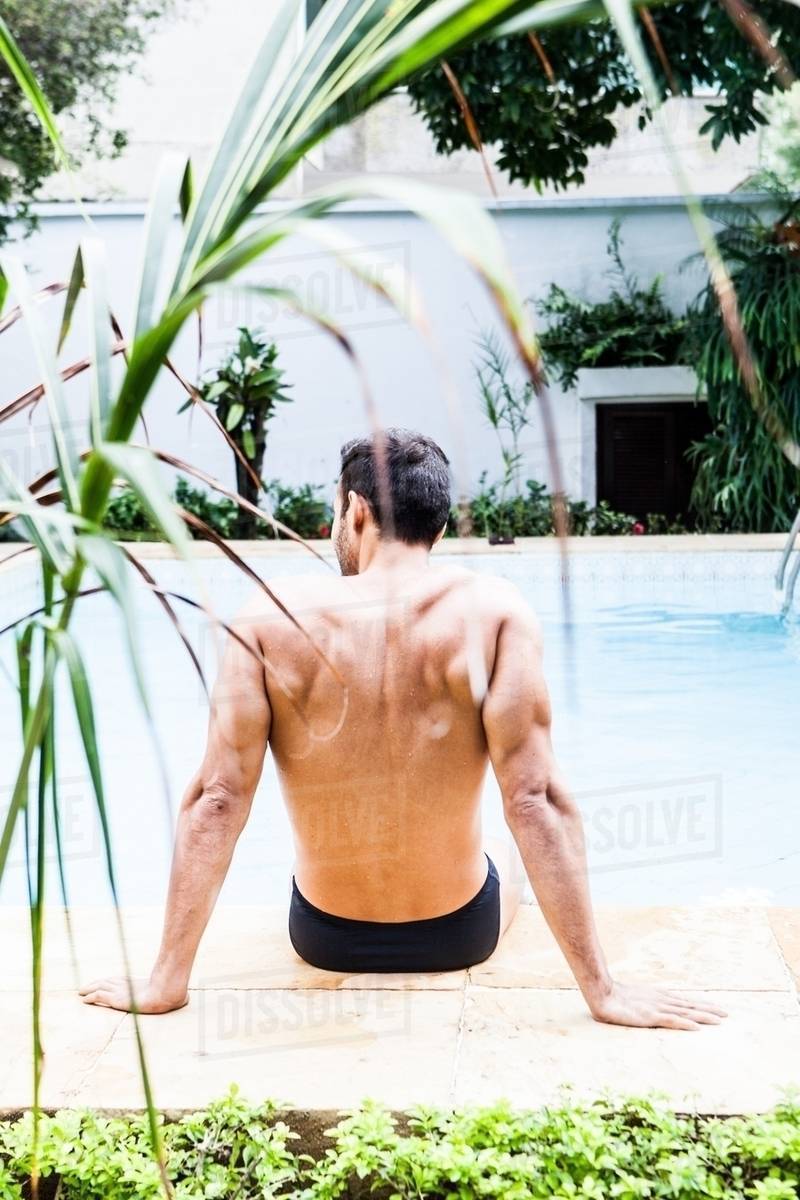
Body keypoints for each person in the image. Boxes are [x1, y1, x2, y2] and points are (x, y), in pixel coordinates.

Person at [81, 428, 726, 1031]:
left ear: (354, 510)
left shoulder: (267, 619)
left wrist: (166, 978)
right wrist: (602, 991)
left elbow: (217, 799)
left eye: (337, 512)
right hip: (458, 933)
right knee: (513, 841)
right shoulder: (494, 613)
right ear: (437, 526)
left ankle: (180, 970)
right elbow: (538, 800)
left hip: (325, 936)